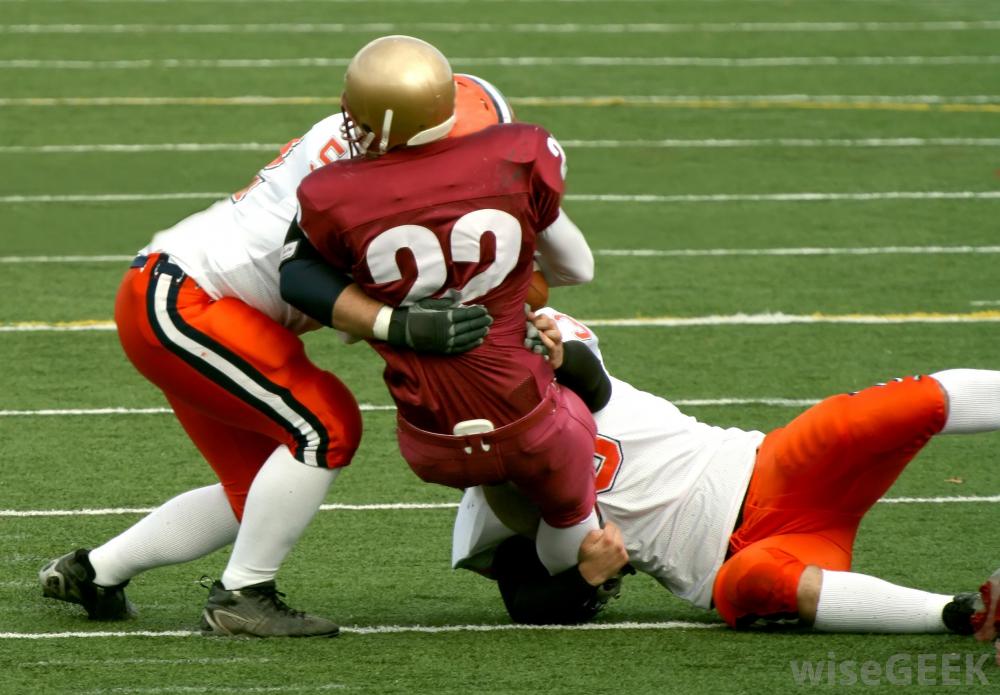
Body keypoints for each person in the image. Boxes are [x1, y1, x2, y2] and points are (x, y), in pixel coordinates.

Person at [37, 70, 521, 638]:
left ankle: (94, 572)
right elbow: (309, 285)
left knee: (258, 494)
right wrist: (406, 325)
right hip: (188, 301)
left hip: (179, 296)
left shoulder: (366, 148)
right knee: (327, 425)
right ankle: (242, 595)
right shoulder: (364, 178)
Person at [451, 308, 1000, 644]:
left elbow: (586, 374)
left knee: (857, 417)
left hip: (771, 472)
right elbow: (527, 605)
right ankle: (961, 613)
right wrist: (585, 577)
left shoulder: (585, 384)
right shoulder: (499, 487)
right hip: (737, 562)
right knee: (753, 585)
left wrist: (548, 354)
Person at [285, 35, 615, 576]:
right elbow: (576, 267)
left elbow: (309, 288)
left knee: (513, 454)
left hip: (428, 438)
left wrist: (396, 316)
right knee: (569, 375)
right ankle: (576, 572)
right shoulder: (522, 153)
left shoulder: (332, 193)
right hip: (534, 422)